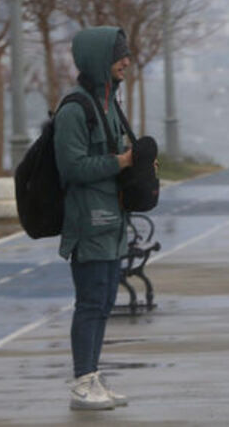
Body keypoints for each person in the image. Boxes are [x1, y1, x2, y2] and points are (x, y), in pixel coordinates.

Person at [54, 26, 135, 411]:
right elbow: (71, 167)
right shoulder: (76, 109)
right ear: (99, 59)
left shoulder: (108, 103)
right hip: (88, 221)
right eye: (119, 55)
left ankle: (93, 374)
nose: (126, 62)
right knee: (90, 301)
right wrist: (120, 162)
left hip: (112, 219)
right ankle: (82, 381)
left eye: (127, 55)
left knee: (104, 301)